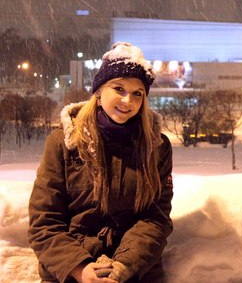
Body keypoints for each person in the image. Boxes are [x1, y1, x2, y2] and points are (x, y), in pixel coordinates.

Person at [28, 42, 174, 283]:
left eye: (137, 93)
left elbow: (156, 218)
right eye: (119, 89)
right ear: (98, 92)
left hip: (134, 271)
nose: (127, 100)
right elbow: (44, 223)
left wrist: (125, 265)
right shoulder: (63, 143)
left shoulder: (156, 147)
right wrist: (81, 268)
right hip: (70, 271)